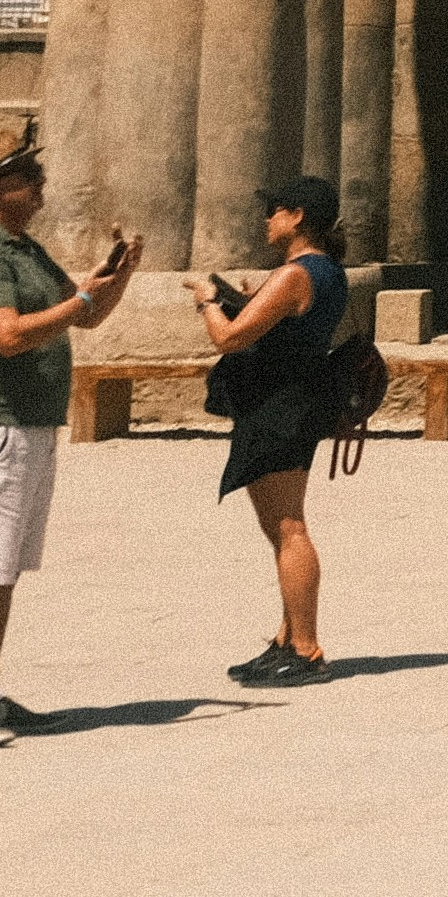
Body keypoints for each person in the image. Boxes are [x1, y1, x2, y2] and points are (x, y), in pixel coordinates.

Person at [0, 127, 139, 744]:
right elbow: (8, 334)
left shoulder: (24, 249)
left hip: (29, 426)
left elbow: (85, 314)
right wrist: (77, 302)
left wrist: (113, 280)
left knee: (4, 567)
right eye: (27, 175)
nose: (41, 183)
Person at [191, 176, 361, 688]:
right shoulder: (325, 271)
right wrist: (247, 298)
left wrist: (208, 301)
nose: (267, 220)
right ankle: (286, 640)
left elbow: (229, 338)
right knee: (279, 529)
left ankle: (306, 650)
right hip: (291, 400)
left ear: (298, 217)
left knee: (289, 528)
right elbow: (289, 327)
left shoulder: (293, 275)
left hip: (279, 407)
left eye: (275, 210)